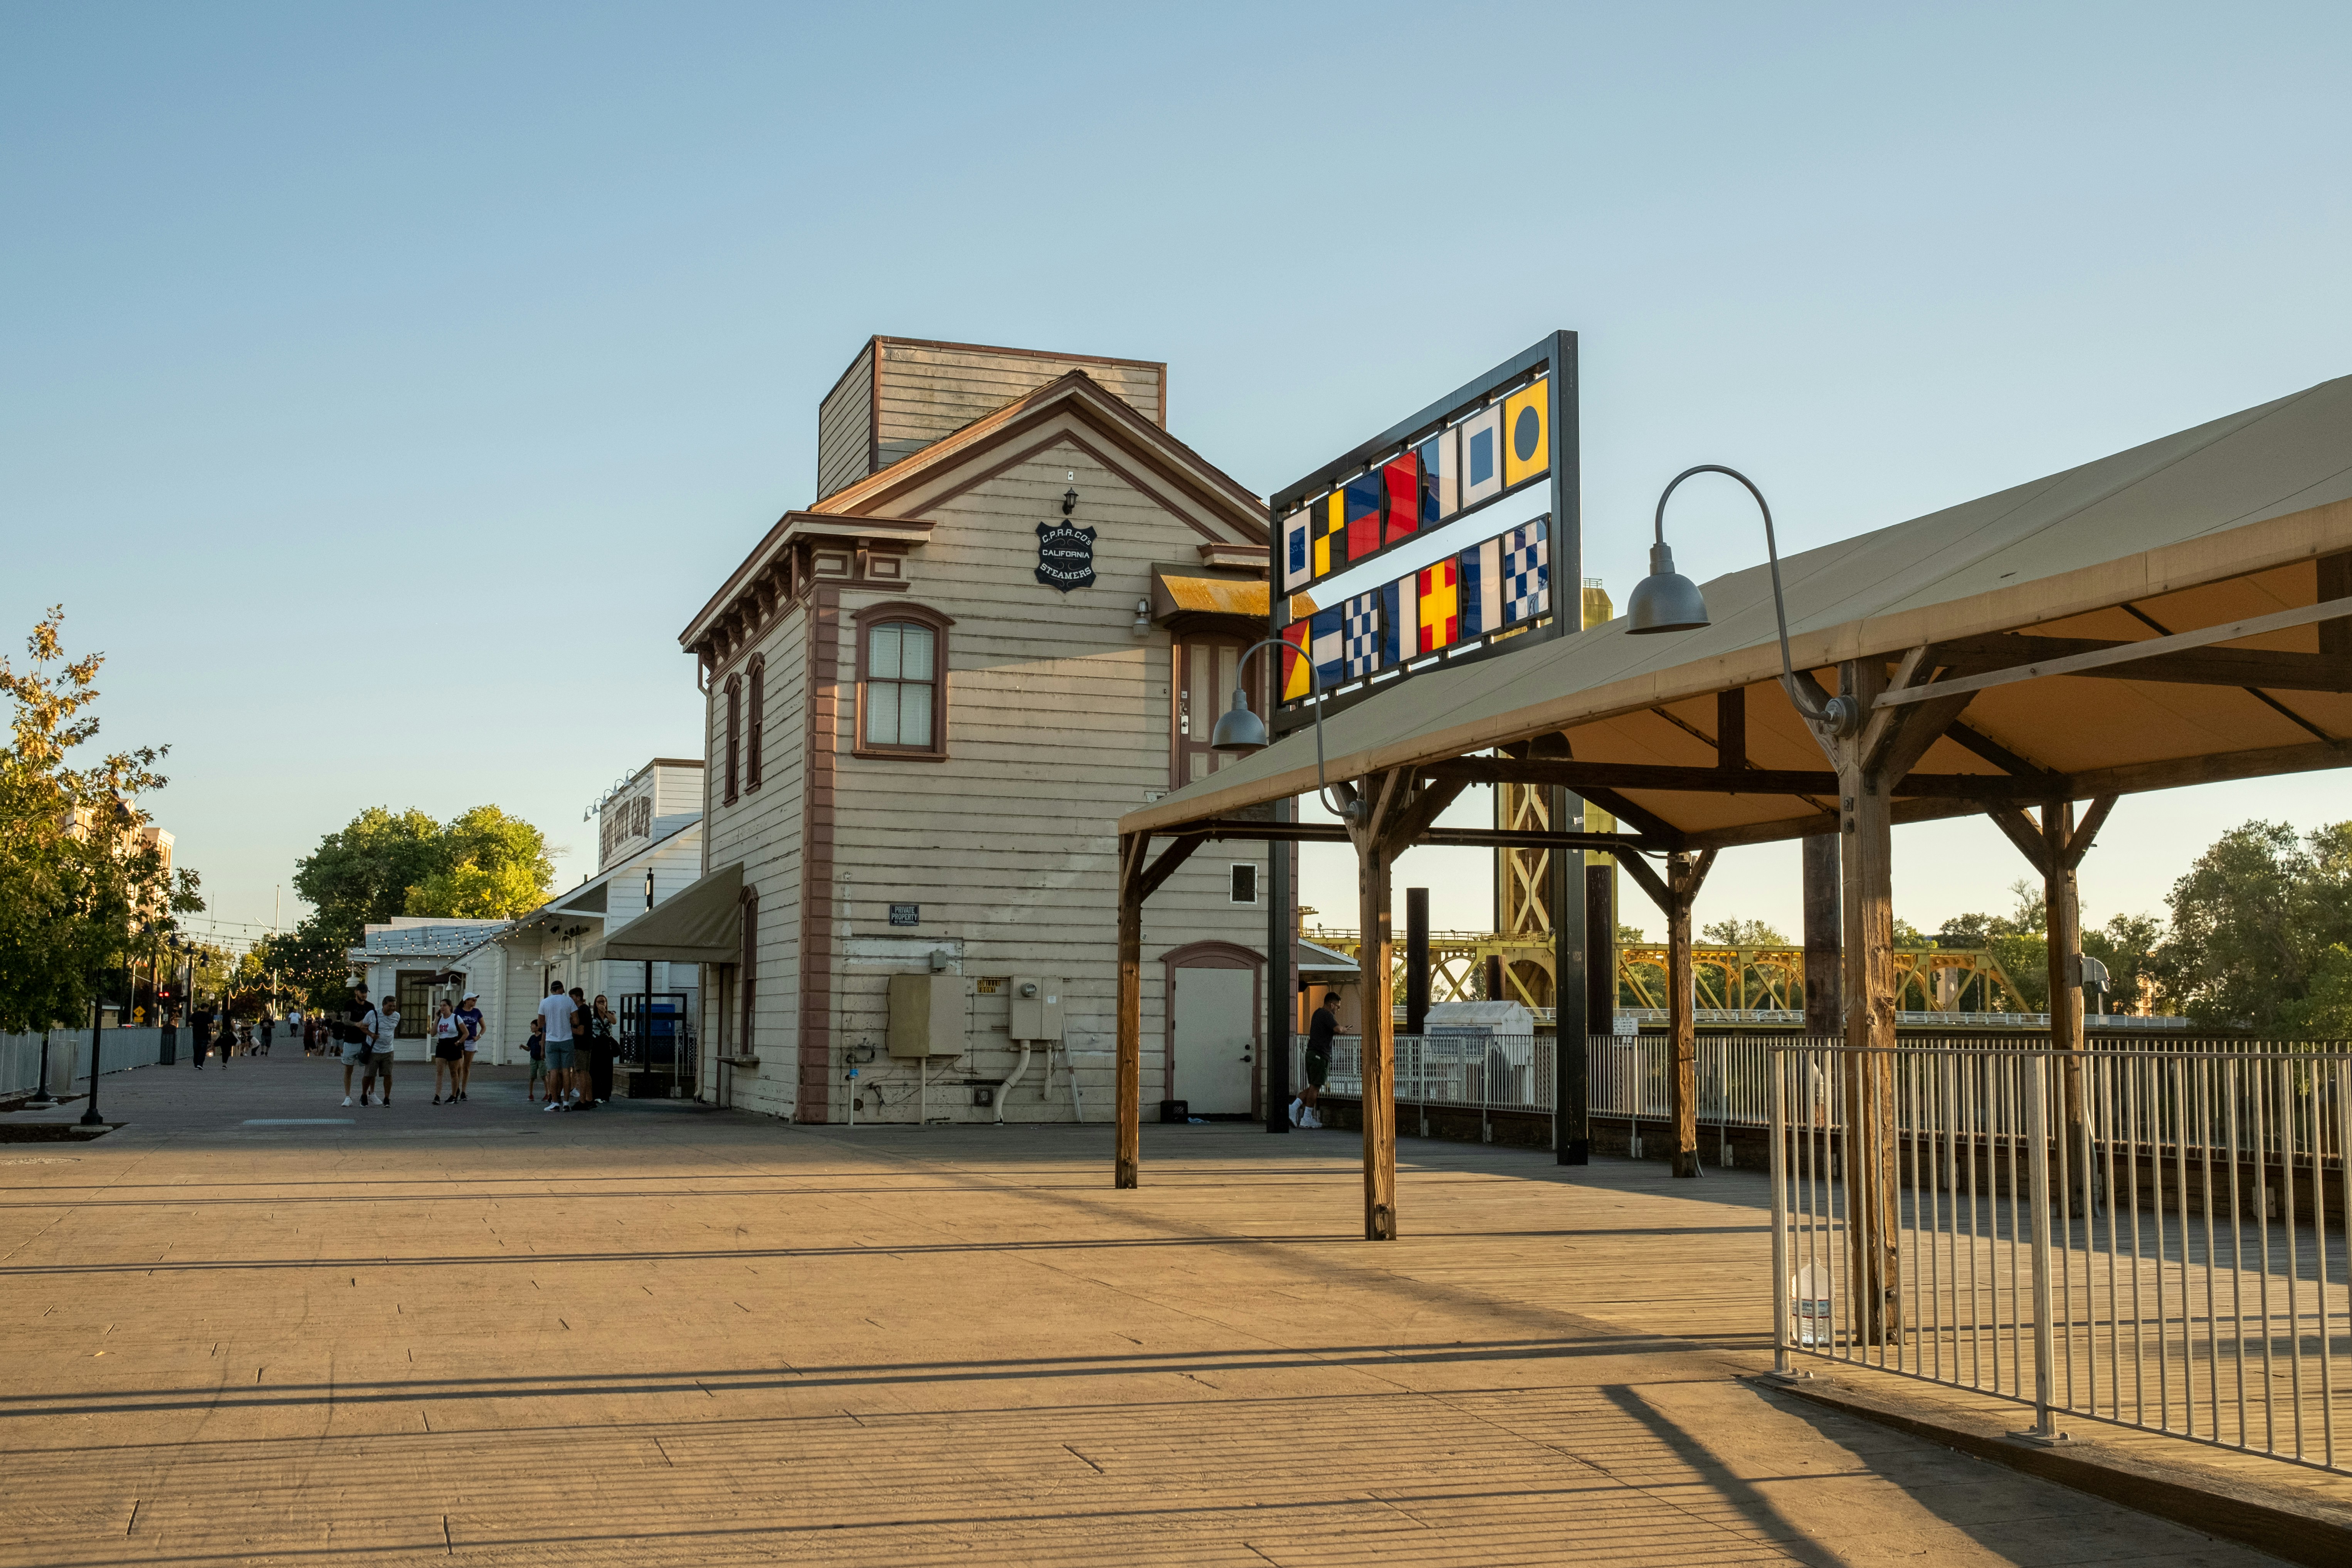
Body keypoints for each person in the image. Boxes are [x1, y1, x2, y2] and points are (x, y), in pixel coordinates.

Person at [1292, 990, 1339, 1130]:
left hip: (1311, 1053)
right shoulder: (1328, 1015)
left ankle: (1293, 1108)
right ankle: (1307, 1118)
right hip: (1320, 1055)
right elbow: (1337, 1029)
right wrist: (1344, 1029)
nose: (1338, 1009)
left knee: (1313, 1086)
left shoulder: (1317, 1013)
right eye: (1338, 1006)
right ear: (1331, 1005)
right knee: (1315, 1087)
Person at [537, 980, 579, 1112]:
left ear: (551, 990)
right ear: (561, 989)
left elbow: (540, 1023)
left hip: (551, 1040)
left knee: (553, 1072)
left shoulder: (545, 1002)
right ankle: (566, 1103)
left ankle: (555, 1103)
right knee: (567, 1071)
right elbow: (577, 1021)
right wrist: (569, 1020)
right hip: (567, 1039)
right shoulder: (569, 1001)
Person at [368, 994, 400, 1105]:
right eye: (390, 1006)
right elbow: (363, 1026)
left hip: (389, 1050)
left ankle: (387, 1098)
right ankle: (370, 1093)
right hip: (374, 1050)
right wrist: (371, 1035)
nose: (392, 1008)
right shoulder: (374, 1014)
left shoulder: (397, 1016)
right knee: (371, 1074)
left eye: (394, 1006)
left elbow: (392, 1029)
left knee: (388, 1074)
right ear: (383, 1005)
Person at [430, 1000, 464, 1104]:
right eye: (441, 1006)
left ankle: (454, 1095)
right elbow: (432, 1033)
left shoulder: (456, 1018)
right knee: (440, 1072)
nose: (442, 1008)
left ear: (450, 1007)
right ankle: (437, 1096)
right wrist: (436, 1019)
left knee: (453, 1072)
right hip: (442, 1045)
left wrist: (459, 1042)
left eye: (444, 1006)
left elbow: (466, 1033)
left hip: (453, 1045)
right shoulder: (440, 1019)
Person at [588, 993, 619, 1106]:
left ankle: (605, 1095)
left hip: (607, 1044)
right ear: (595, 1004)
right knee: (595, 1070)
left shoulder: (610, 1015)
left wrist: (605, 1012)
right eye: (599, 1002)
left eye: (603, 1002)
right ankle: (596, 1095)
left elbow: (614, 1021)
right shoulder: (592, 1017)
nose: (601, 1004)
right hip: (596, 1044)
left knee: (607, 1070)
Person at [454, 991, 483, 1099]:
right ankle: (456, 1088)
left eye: (476, 1000)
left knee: (467, 1067)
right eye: (473, 1000)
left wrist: (479, 1036)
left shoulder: (477, 1012)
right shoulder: (458, 1011)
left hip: (472, 1041)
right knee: (458, 1066)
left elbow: (484, 1027)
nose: (475, 1002)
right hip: (461, 1040)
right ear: (466, 1001)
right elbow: (454, 1023)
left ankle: (464, 1091)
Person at [523, 1014, 546, 1101]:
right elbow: (529, 1048)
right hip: (533, 1059)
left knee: (544, 1077)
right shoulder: (532, 1038)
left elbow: (547, 1046)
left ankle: (547, 1093)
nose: (531, 1027)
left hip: (541, 1059)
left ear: (537, 1027)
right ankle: (531, 1094)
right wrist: (523, 1047)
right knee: (532, 1077)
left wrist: (543, 1045)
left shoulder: (543, 1037)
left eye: (532, 1026)